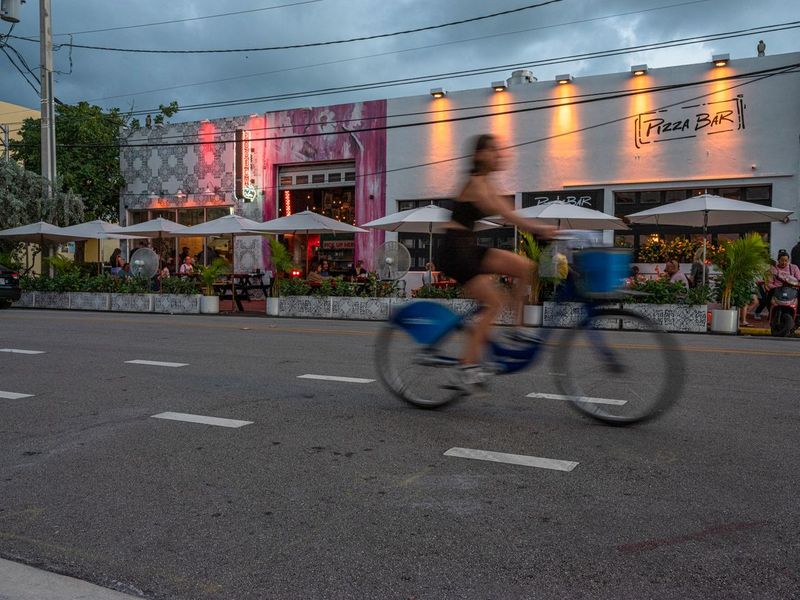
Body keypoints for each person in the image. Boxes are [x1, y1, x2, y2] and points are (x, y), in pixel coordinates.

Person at [438, 134, 555, 389]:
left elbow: (506, 209)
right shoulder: (476, 184)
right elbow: (506, 212)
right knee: (494, 302)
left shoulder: (487, 183)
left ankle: (518, 327)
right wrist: (540, 228)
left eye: (499, 150)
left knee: (526, 267)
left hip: (468, 246)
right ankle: (466, 366)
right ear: (479, 155)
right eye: (493, 150)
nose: (499, 154)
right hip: (453, 251)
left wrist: (539, 227)